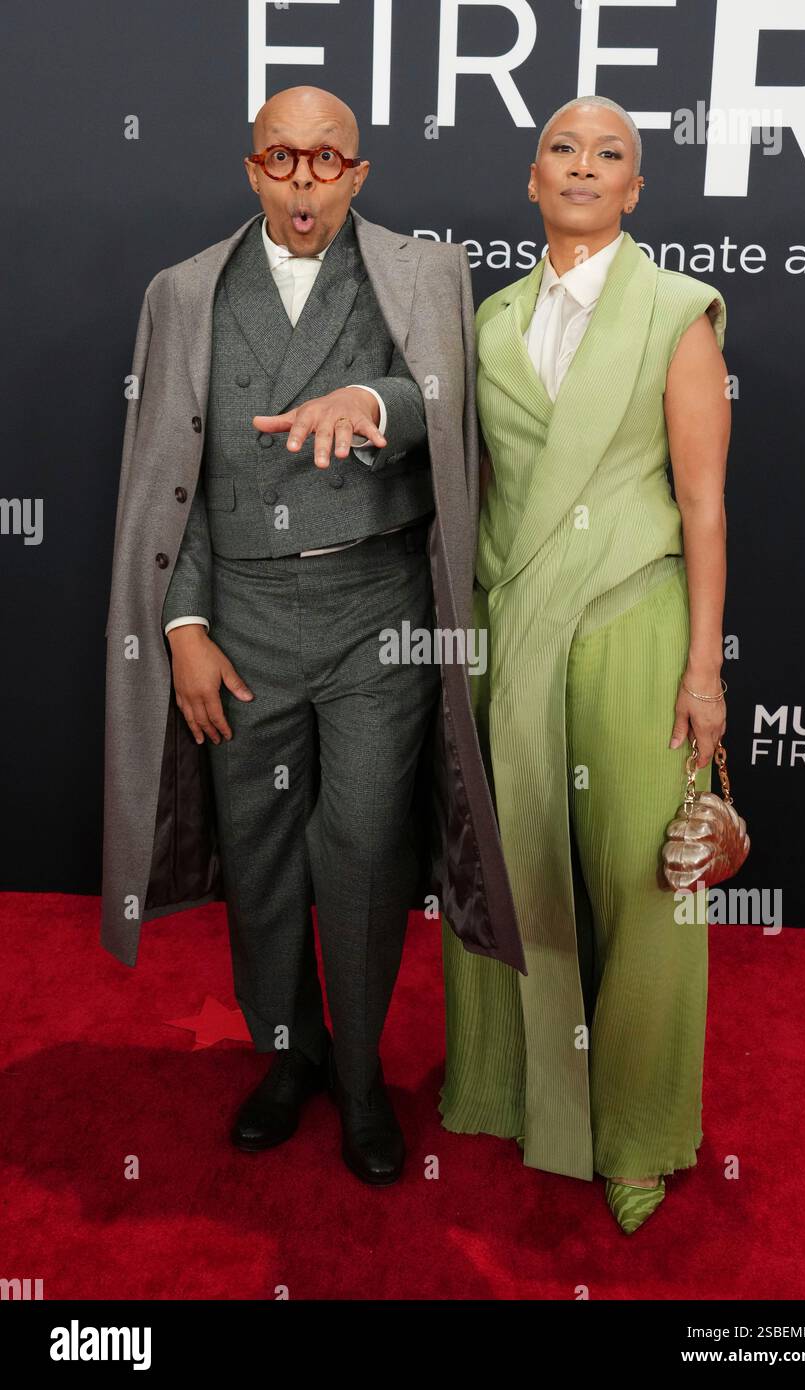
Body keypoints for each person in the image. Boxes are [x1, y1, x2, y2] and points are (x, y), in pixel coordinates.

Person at [101, 85, 524, 1189]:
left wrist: (377, 401)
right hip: (240, 623)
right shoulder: (182, 292)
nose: (301, 181)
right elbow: (166, 484)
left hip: (376, 617)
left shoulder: (425, 272)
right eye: (279, 159)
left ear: (357, 174)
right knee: (264, 859)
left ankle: (364, 1070)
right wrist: (183, 624)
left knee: (364, 852)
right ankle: (289, 1057)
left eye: (323, 160)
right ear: (251, 168)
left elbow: (453, 399)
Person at [439, 95, 731, 1233]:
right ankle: (514, 1094)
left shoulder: (673, 310)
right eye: (562, 147)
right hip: (512, 632)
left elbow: (702, 503)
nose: (582, 164)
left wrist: (702, 671)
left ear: (634, 189)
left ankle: (639, 1135)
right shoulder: (489, 321)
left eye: (608, 153)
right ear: (530, 176)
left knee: (647, 887)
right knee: (512, 872)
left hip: (633, 620)